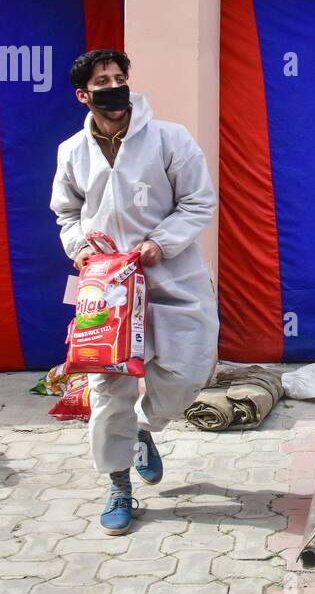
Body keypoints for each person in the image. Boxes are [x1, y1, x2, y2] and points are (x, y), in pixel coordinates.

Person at [51, 49, 218, 535]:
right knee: (107, 391)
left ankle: (144, 428)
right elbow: (66, 213)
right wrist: (79, 248)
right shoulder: (71, 152)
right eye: (102, 80)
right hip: (105, 289)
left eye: (119, 77)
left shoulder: (170, 139)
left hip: (170, 278)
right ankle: (119, 483)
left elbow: (198, 200)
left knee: (189, 372)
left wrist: (159, 243)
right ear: (84, 95)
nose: (114, 85)